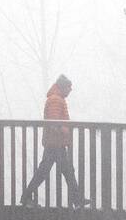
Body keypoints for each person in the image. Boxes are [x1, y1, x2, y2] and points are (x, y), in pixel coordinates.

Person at [20, 74, 91, 207]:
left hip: (55, 143)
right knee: (58, 171)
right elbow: (54, 122)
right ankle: (27, 197)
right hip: (55, 143)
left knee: (59, 171)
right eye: (69, 87)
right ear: (62, 87)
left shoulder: (57, 99)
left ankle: (77, 200)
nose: (70, 90)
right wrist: (65, 130)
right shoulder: (55, 100)